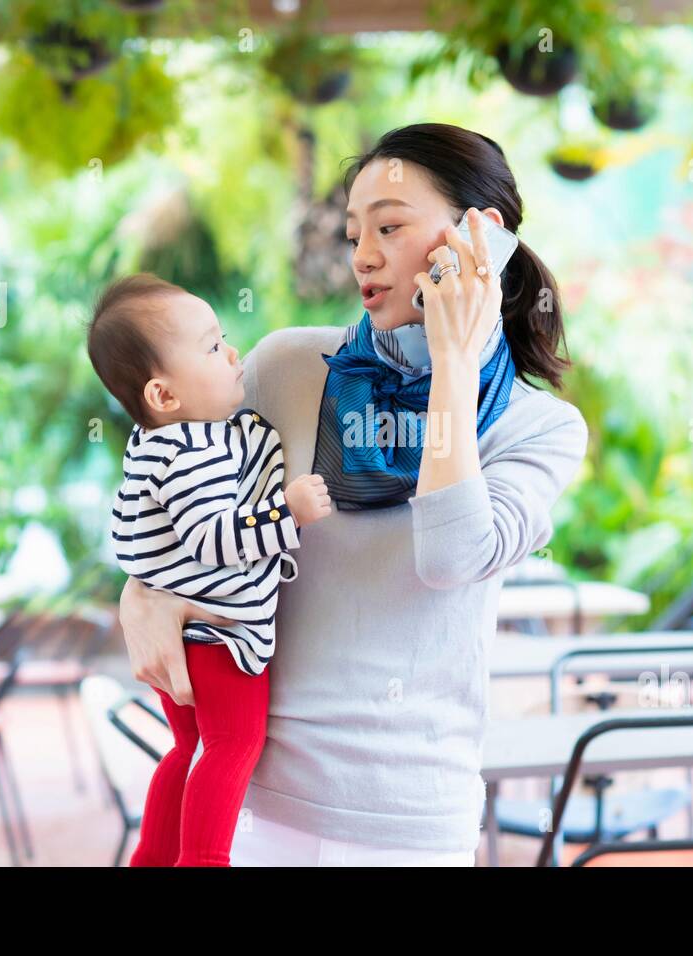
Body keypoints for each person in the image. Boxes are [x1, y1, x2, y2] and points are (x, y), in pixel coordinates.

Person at [118, 123, 588, 866]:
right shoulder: (289, 368)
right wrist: (141, 592)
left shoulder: (540, 429)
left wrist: (452, 366)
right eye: (353, 232)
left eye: (390, 227)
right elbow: (186, 509)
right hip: (258, 806)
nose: (363, 255)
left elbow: (450, 553)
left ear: (481, 237)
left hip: (411, 818)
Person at [87, 274, 332, 865]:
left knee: (188, 747)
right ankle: (204, 858)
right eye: (211, 347)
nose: (232, 352)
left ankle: (153, 854)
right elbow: (213, 538)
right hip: (217, 638)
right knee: (234, 745)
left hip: (187, 637)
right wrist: (288, 513)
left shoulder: (173, 443)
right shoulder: (188, 452)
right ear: (164, 398)